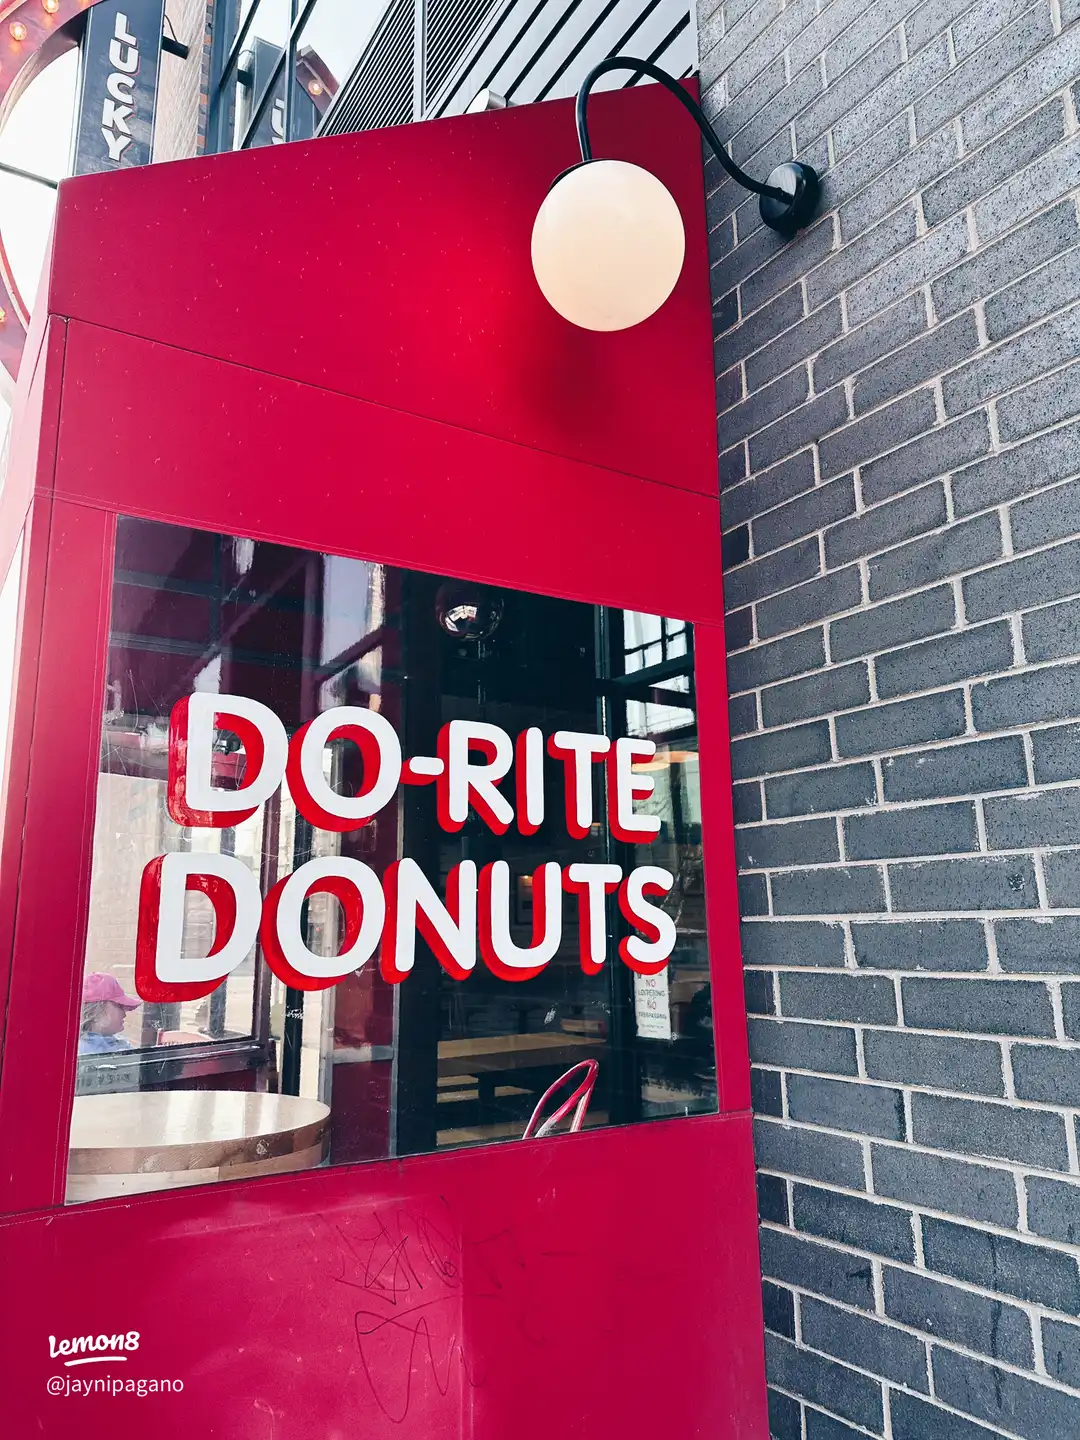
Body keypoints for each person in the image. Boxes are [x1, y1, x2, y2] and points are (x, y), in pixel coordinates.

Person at [78, 973, 141, 1055]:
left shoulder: (116, 1043)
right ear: (97, 1012)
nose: (124, 1014)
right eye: (120, 1006)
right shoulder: (83, 1052)